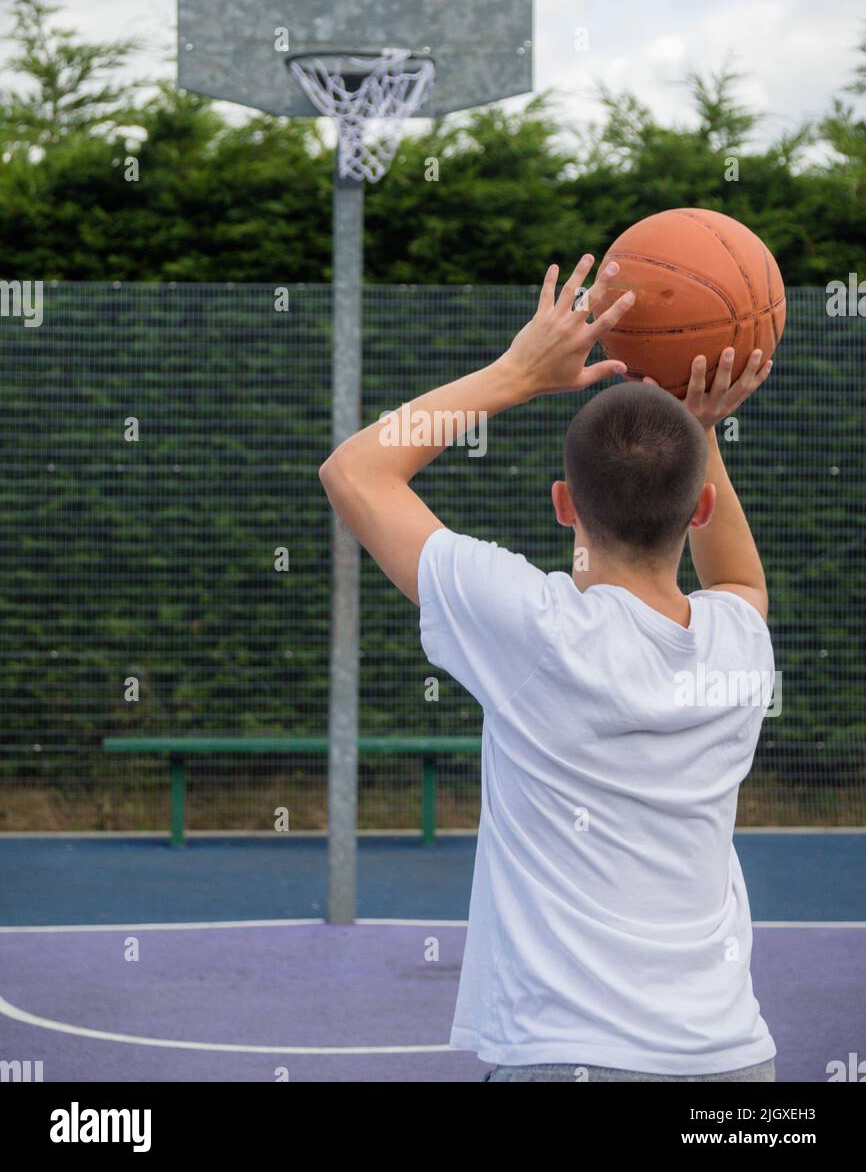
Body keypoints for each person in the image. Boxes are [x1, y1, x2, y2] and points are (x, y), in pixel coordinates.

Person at [319, 254, 777, 1082]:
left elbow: (354, 471)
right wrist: (698, 430)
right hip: (735, 1066)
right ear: (701, 504)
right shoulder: (737, 644)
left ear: (565, 504)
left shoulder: (534, 630)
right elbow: (741, 579)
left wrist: (515, 373)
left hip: (570, 1060)